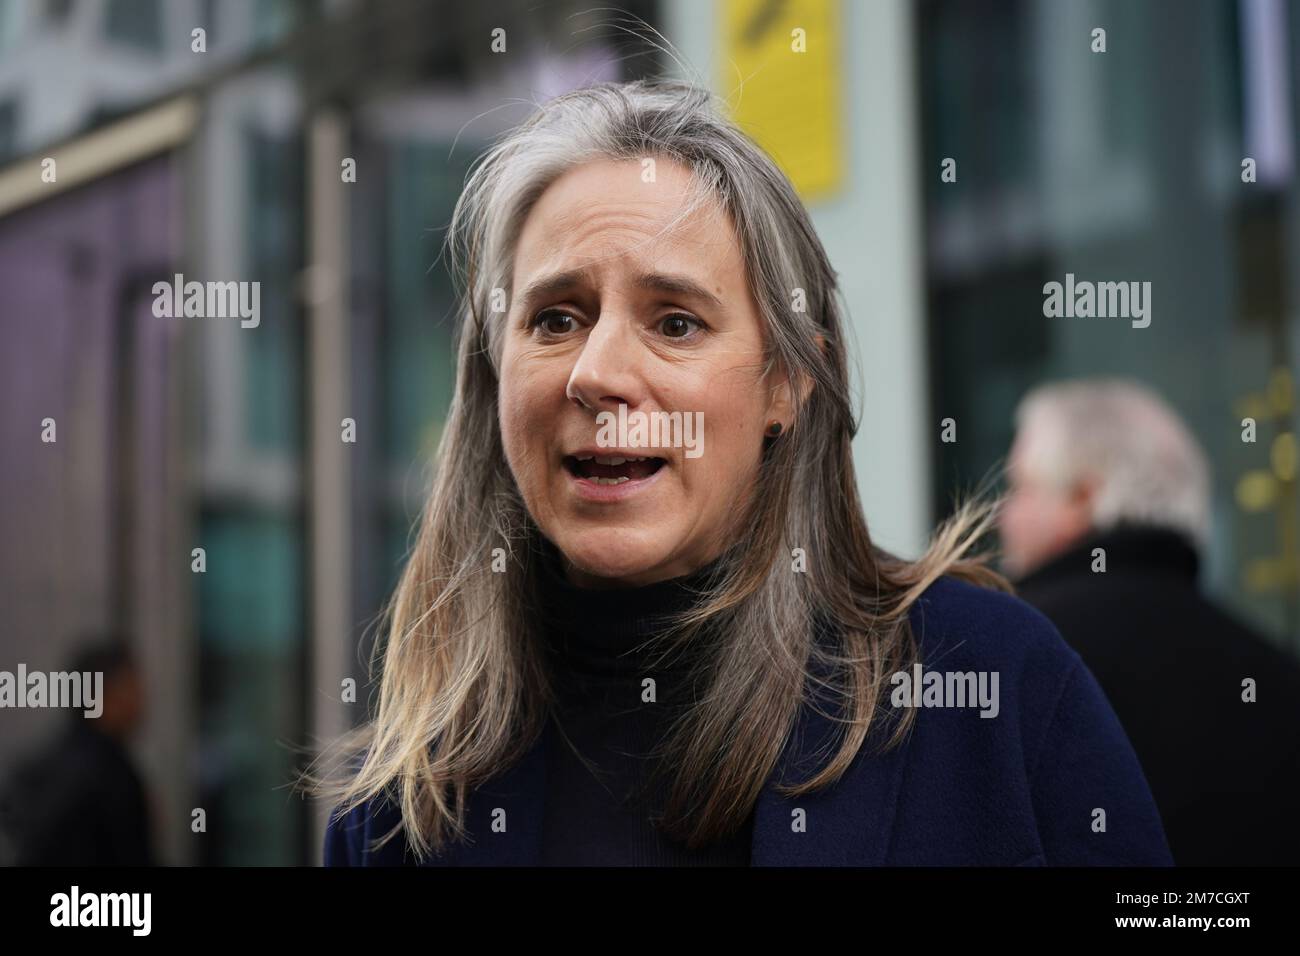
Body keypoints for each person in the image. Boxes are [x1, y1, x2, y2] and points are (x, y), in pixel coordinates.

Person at [312, 79, 1170, 866]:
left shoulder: (993, 692)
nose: (596, 371)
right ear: (496, 376)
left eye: (676, 322)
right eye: (557, 317)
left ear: (787, 384)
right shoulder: (400, 813)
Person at [1002, 379, 1300, 865]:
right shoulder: (1275, 670)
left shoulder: (1020, 651)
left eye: (1019, 488)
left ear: (1083, 496)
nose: (1002, 514)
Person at [2, 638, 155, 865]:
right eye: (132, 686)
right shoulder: (110, 776)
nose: (142, 699)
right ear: (105, 695)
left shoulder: (50, 764)